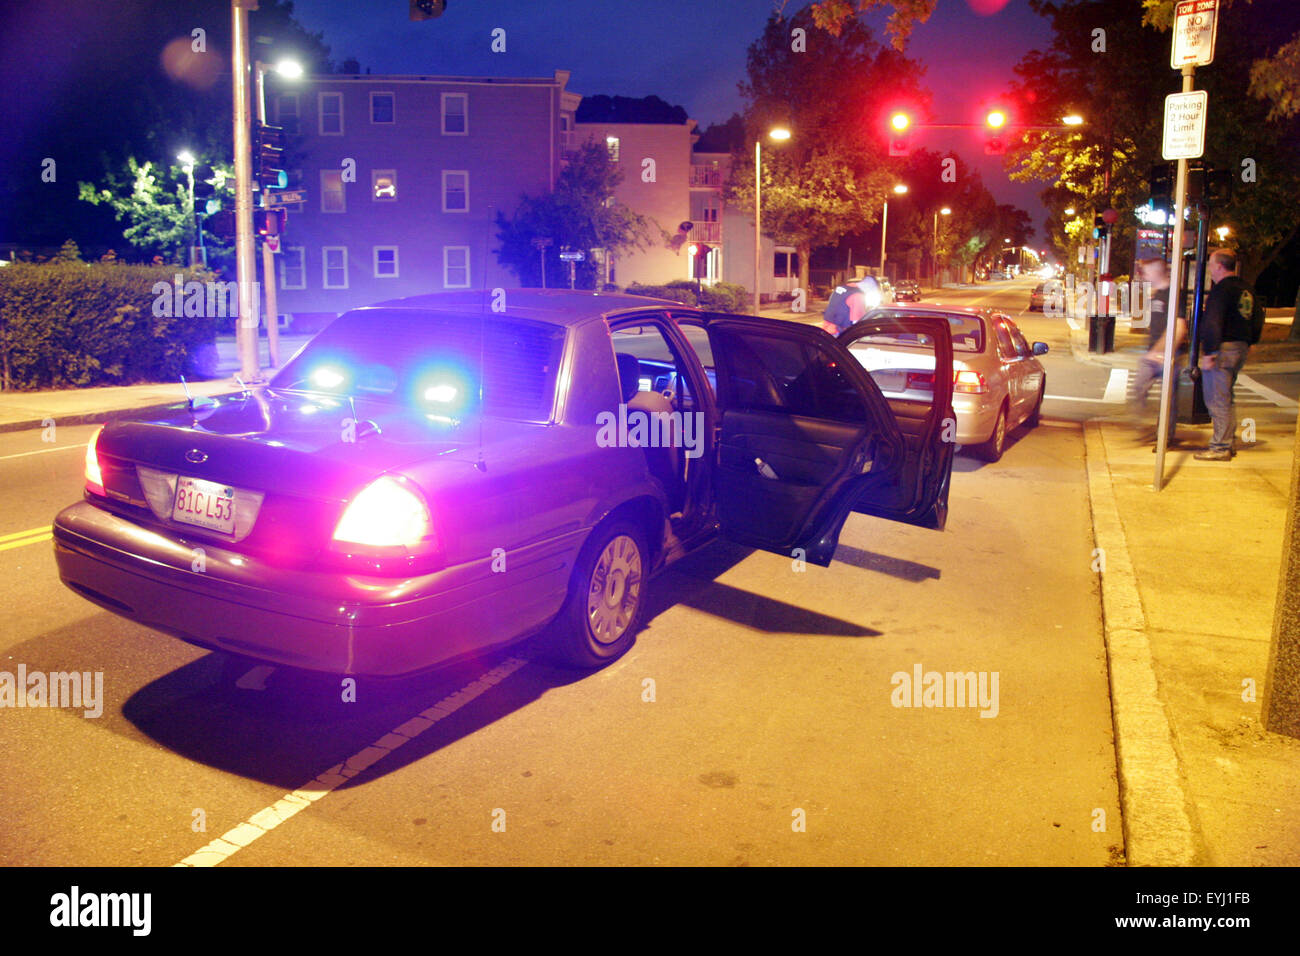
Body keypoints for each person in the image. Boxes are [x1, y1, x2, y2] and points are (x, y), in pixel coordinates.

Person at [1194, 249, 1257, 461]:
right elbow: (1258, 317)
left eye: (1211, 265)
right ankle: (1227, 442)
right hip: (1240, 347)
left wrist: (1209, 352)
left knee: (1216, 399)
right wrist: (1251, 341)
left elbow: (1213, 321)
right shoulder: (1246, 288)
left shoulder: (1221, 290)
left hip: (1223, 349)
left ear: (1219, 266)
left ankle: (1220, 447)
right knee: (1227, 398)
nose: (1210, 269)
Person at [1129, 257, 1186, 446]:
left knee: (1168, 398)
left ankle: (1165, 436)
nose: (1143, 275)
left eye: (1146, 271)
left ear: (1156, 271)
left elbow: (1179, 327)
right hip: (1152, 352)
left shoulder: (1174, 294)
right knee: (1138, 388)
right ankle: (1147, 428)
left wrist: (1160, 351)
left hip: (1168, 353)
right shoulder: (1156, 293)